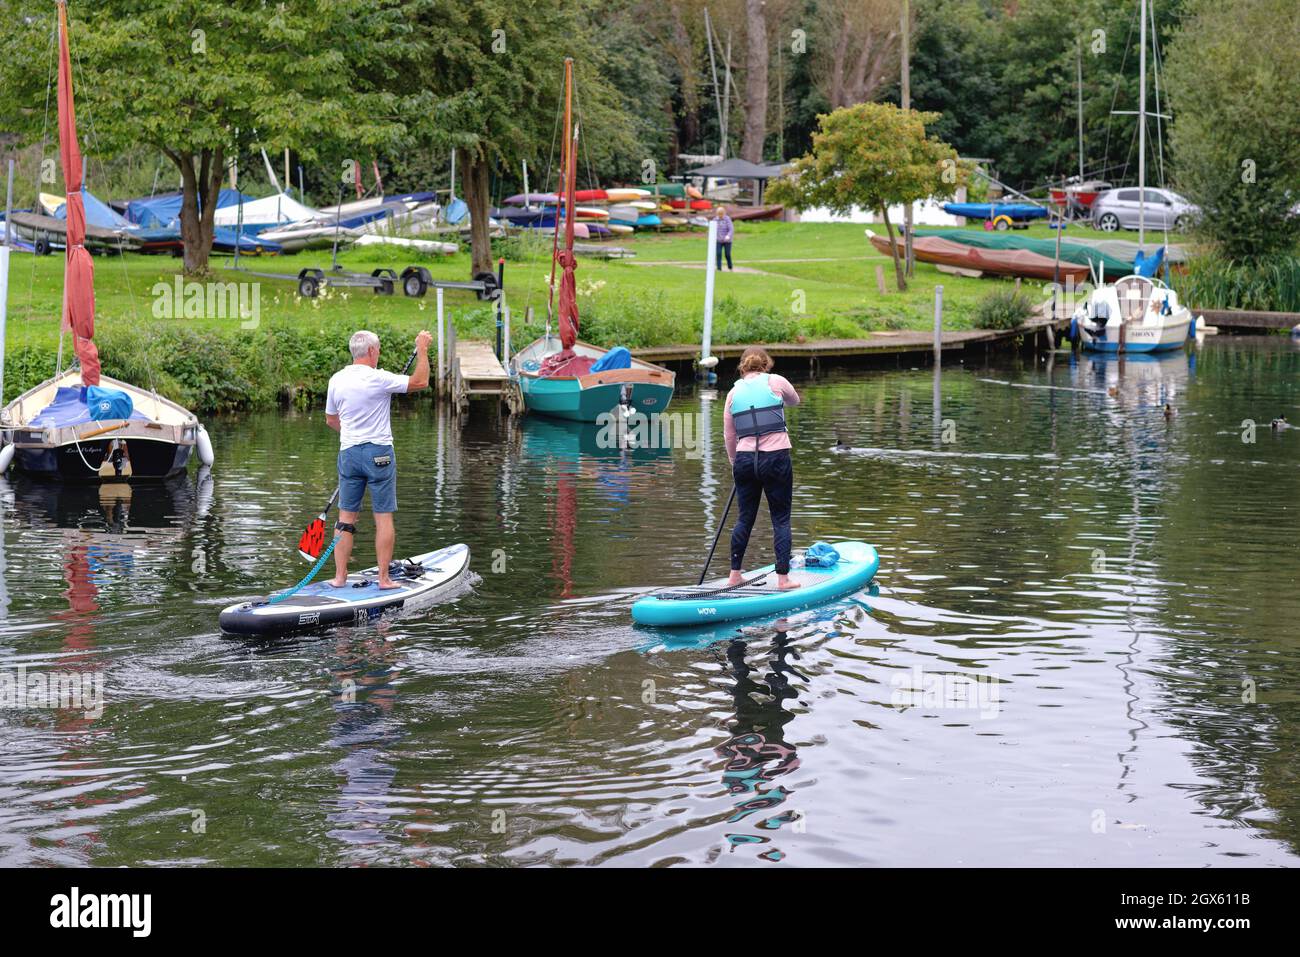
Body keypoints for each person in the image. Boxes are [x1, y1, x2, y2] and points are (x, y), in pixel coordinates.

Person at [325, 329, 431, 589]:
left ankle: (340, 577)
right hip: (379, 455)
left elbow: (330, 419)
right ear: (371, 351)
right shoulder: (379, 378)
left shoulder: (336, 380)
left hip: (348, 453)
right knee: (383, 517)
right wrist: (423, 349)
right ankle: (384, 579)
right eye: (379, 349)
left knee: (345, 518)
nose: (379, 353)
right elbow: (420, 381)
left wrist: (351, 433)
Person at [723, 346, 801, 590]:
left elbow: (729, 434)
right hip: (775, 457)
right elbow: (794, 401)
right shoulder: (775, 381)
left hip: (745, 460)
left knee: (744, 518)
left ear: (742, 367)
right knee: (780, 518)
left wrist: (735, 463)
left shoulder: (733, 393)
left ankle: (735, 575)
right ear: (766, 364)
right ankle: (783, 579)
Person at [714, 206, 734, 271]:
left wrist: (728, 236)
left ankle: (730, 266)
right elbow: (713, 228)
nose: (720, 216)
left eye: (721, 214)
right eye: (719, 214)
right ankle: (719, 268)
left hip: (727, 241)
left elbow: (731, 229)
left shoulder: (727, 219)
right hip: (718, 240)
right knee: (718, 253)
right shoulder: (715, 220)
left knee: (727, 254)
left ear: (724, 213)